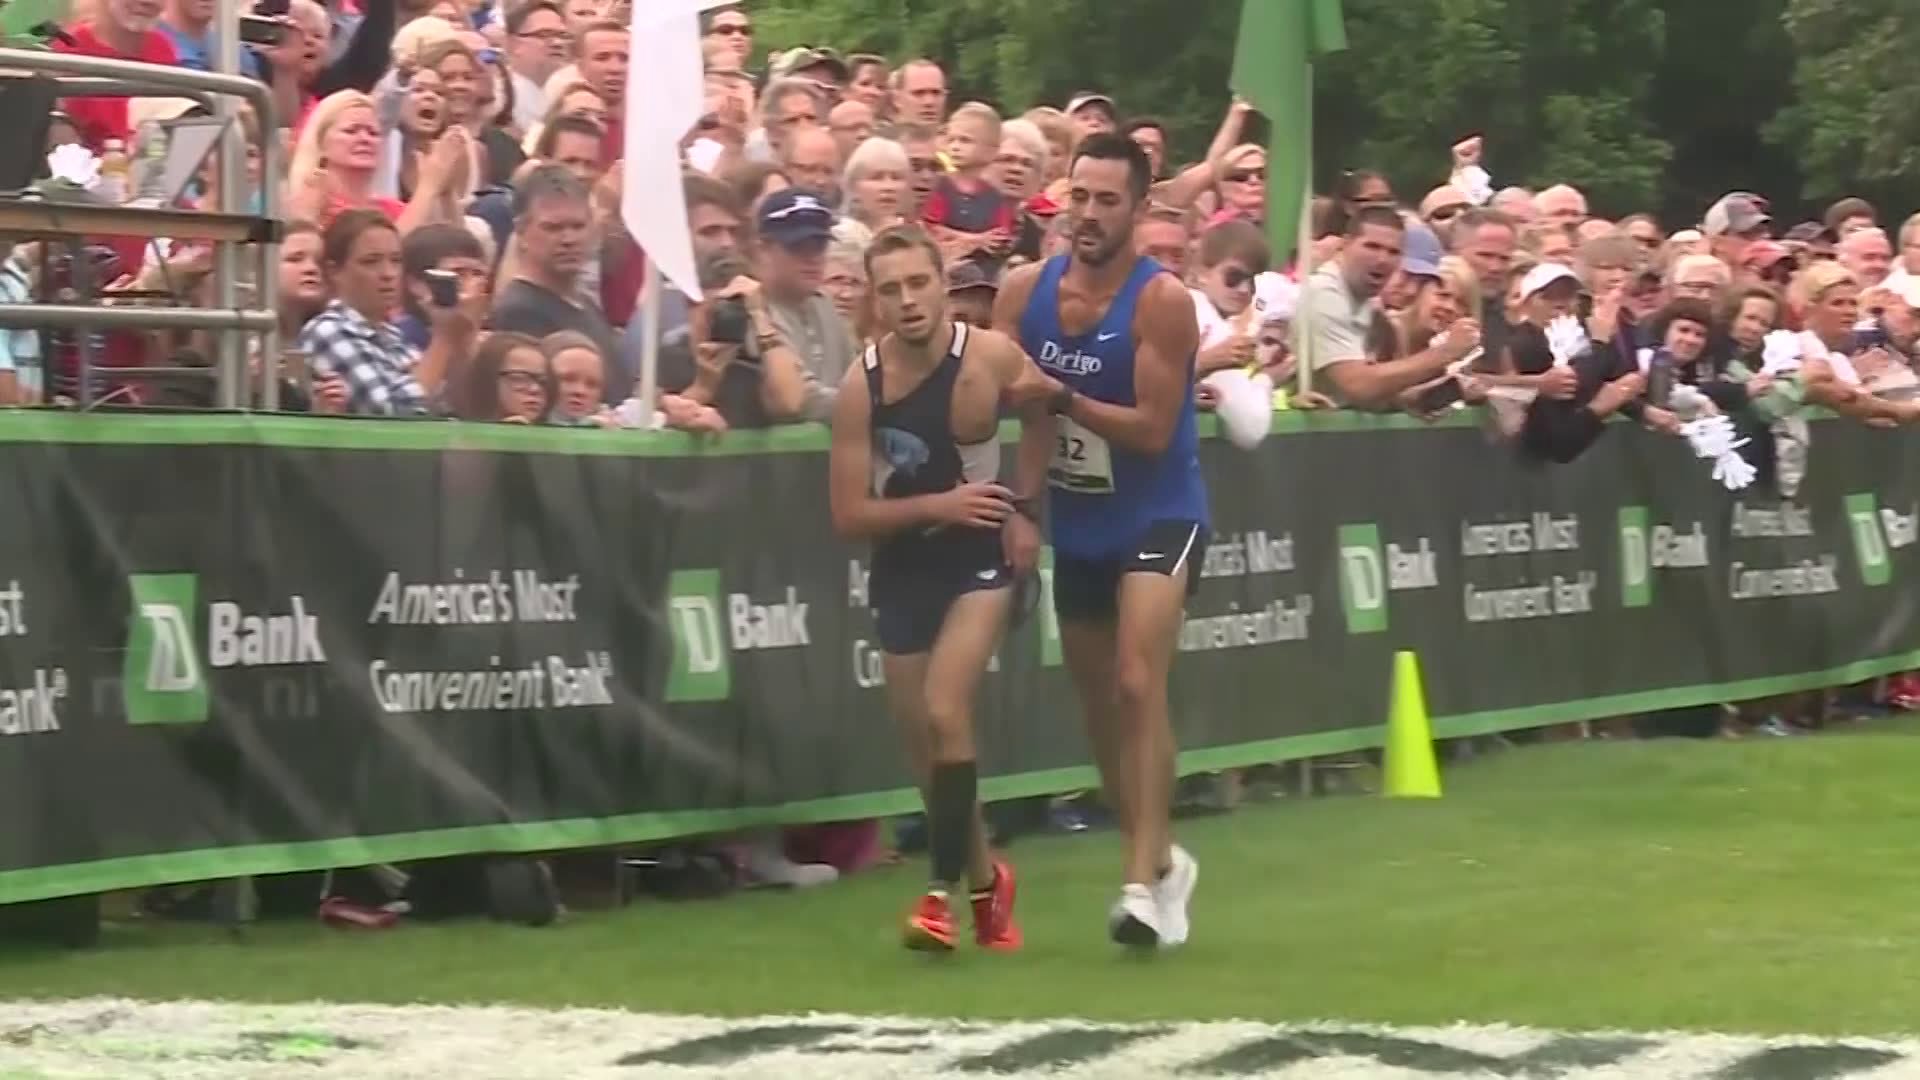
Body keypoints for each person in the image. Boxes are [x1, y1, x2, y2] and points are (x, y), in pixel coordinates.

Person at [994, 133, 1204, 949]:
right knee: (1099, 710)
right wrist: (1022, 507)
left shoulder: (1163, 302)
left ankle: (1136, 883)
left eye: (1105, 200)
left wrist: (1062, 395)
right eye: (1077, 195)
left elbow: (1153, 430)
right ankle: (1164, 864)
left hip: (1160, 510)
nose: (1085, 213)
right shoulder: (1023, 291)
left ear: (1139, 210)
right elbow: (1025, 413)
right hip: (1079, 521)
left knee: (1135, 680)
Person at [827, 224, 1054, 953]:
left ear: (940, 283)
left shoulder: (986, 356)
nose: (907, 300)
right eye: (889, 289)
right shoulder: (859, 387)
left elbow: (1046, 406)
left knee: (944, 706)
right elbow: (848, 514)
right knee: (926, 747)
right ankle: (989, 883)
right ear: (876, 300)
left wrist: (1023, 506)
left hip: (979, 558)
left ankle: (938, 896)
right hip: (904, 563)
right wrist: (936, 506)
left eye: (917, 283)